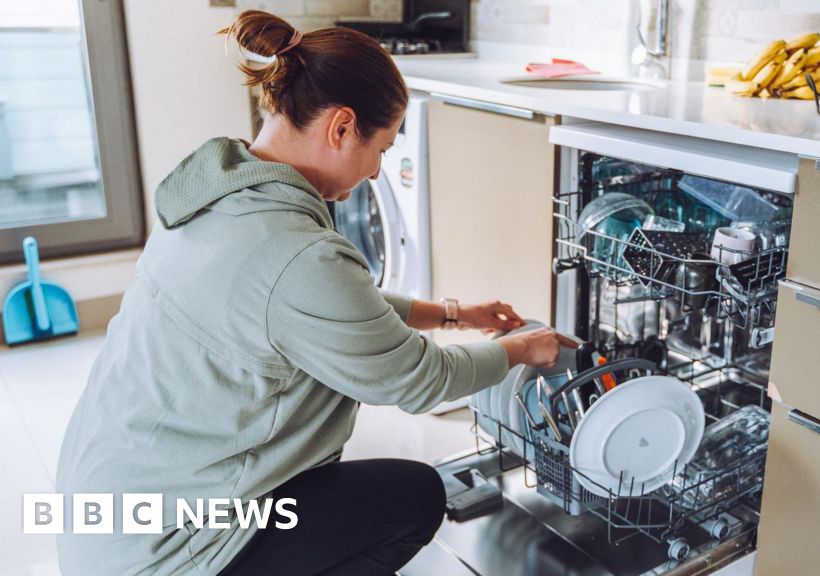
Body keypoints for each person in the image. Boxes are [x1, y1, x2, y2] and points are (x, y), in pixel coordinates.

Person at [55, 10, 563, 576]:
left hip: (105, 517)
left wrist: (451, 314)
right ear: (342, 127)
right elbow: (422, 382)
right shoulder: (297, 250)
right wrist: (523, 349)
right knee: (414, 495)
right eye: (384, 148)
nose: (375, 172)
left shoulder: (223, 190)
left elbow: (319, 307)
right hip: (166, 553)